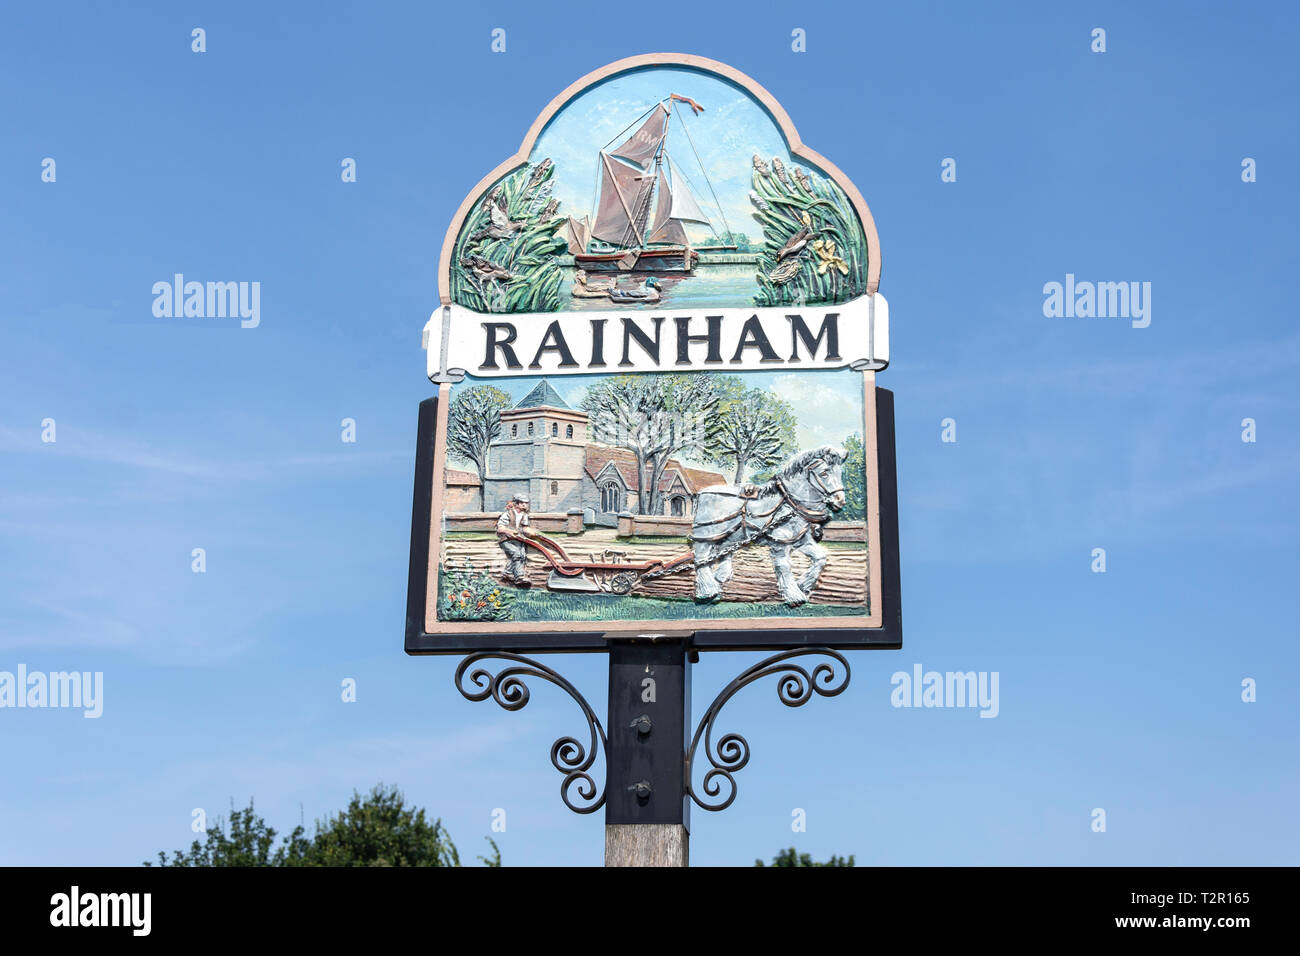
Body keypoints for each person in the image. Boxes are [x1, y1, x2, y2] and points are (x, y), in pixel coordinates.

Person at [496, 494, 533, 587]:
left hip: (518, 539)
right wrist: (508, 531)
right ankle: (519, 577)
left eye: (526, 503)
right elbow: (500, 528)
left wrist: (531, 533)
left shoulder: (524, 515)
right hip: (506, 540)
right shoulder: (508, 514)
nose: (525, 505)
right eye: (522, 503)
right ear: (516, 504)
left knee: (522, 554)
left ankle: (507, 573)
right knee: (516, 553)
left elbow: (525, 528)